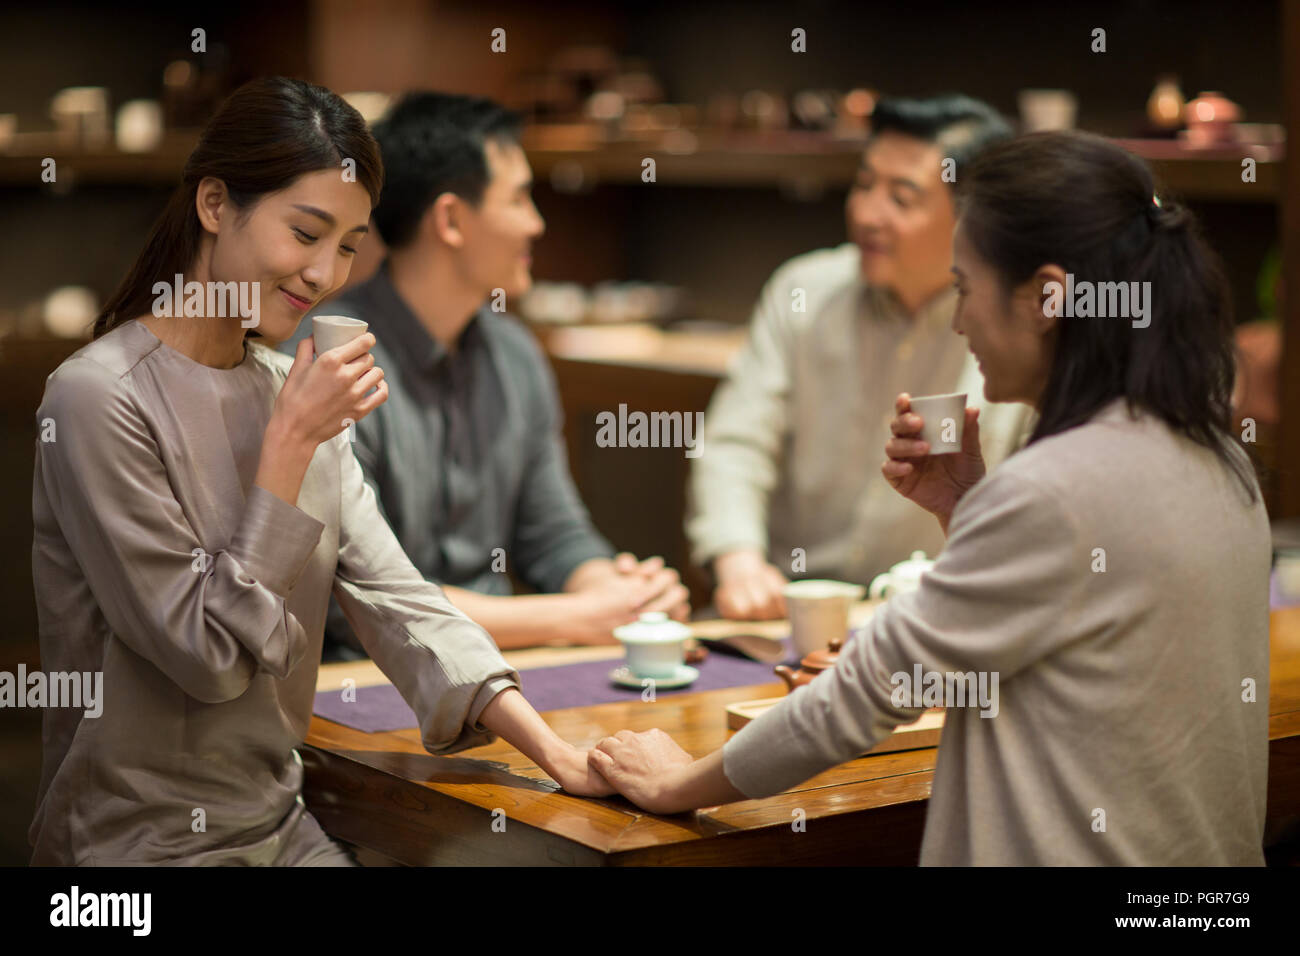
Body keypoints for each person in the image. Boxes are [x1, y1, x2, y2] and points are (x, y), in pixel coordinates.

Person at [589, 130, 1270, 866]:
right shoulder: (1217, 457)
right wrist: (970, 508)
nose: (958, 320)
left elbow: (871, 687)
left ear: (1047, 297)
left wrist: (677, 784)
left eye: (967, 288)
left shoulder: (1053, 490)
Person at [29, 77, 613, 867]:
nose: (324, 274)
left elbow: (398, 599)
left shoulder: (288, 385)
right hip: (129, 852)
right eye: (305, 233)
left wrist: (559, 756)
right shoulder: (97, 398)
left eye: (346, 246)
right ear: (213, 205)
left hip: (280, 828)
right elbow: (205, 659)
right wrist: (288, 447)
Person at [278, 92, 689, 655]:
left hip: (504, 673)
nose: (537, 225)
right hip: (365, 685)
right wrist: (577, 615)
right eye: (520, 199)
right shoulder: (327, 359)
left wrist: (622, 592)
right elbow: (356, 603)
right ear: (450, 219)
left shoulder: (515, 354)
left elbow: (554, 536)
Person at [687, 95, 1037, 621]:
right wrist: (739, 564)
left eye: (902, 197)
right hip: (789, 613)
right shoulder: (803, 290)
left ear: (973, 217)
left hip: (928, 623)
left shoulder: (1006, 334)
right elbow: (736, 445)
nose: (868, 214)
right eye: (864, 184)